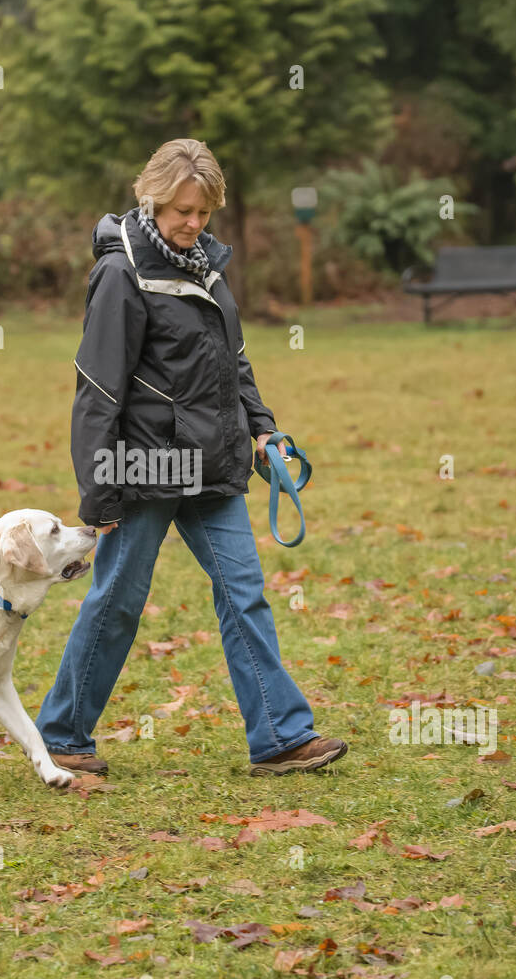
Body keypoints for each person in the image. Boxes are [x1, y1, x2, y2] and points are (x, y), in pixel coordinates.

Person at [36, 138, 347, 778]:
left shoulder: (204, 264)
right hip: (146, 465)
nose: (192, 223)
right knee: (119, 600)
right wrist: (100, 495)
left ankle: (281, 738)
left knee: (245, 594)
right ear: (150, 196)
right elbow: (97, 391)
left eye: (203, 212)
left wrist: (263, 429)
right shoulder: (122, 274)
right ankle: (62, 734)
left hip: (214, 461)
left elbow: (231, 360)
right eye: (181, 210)